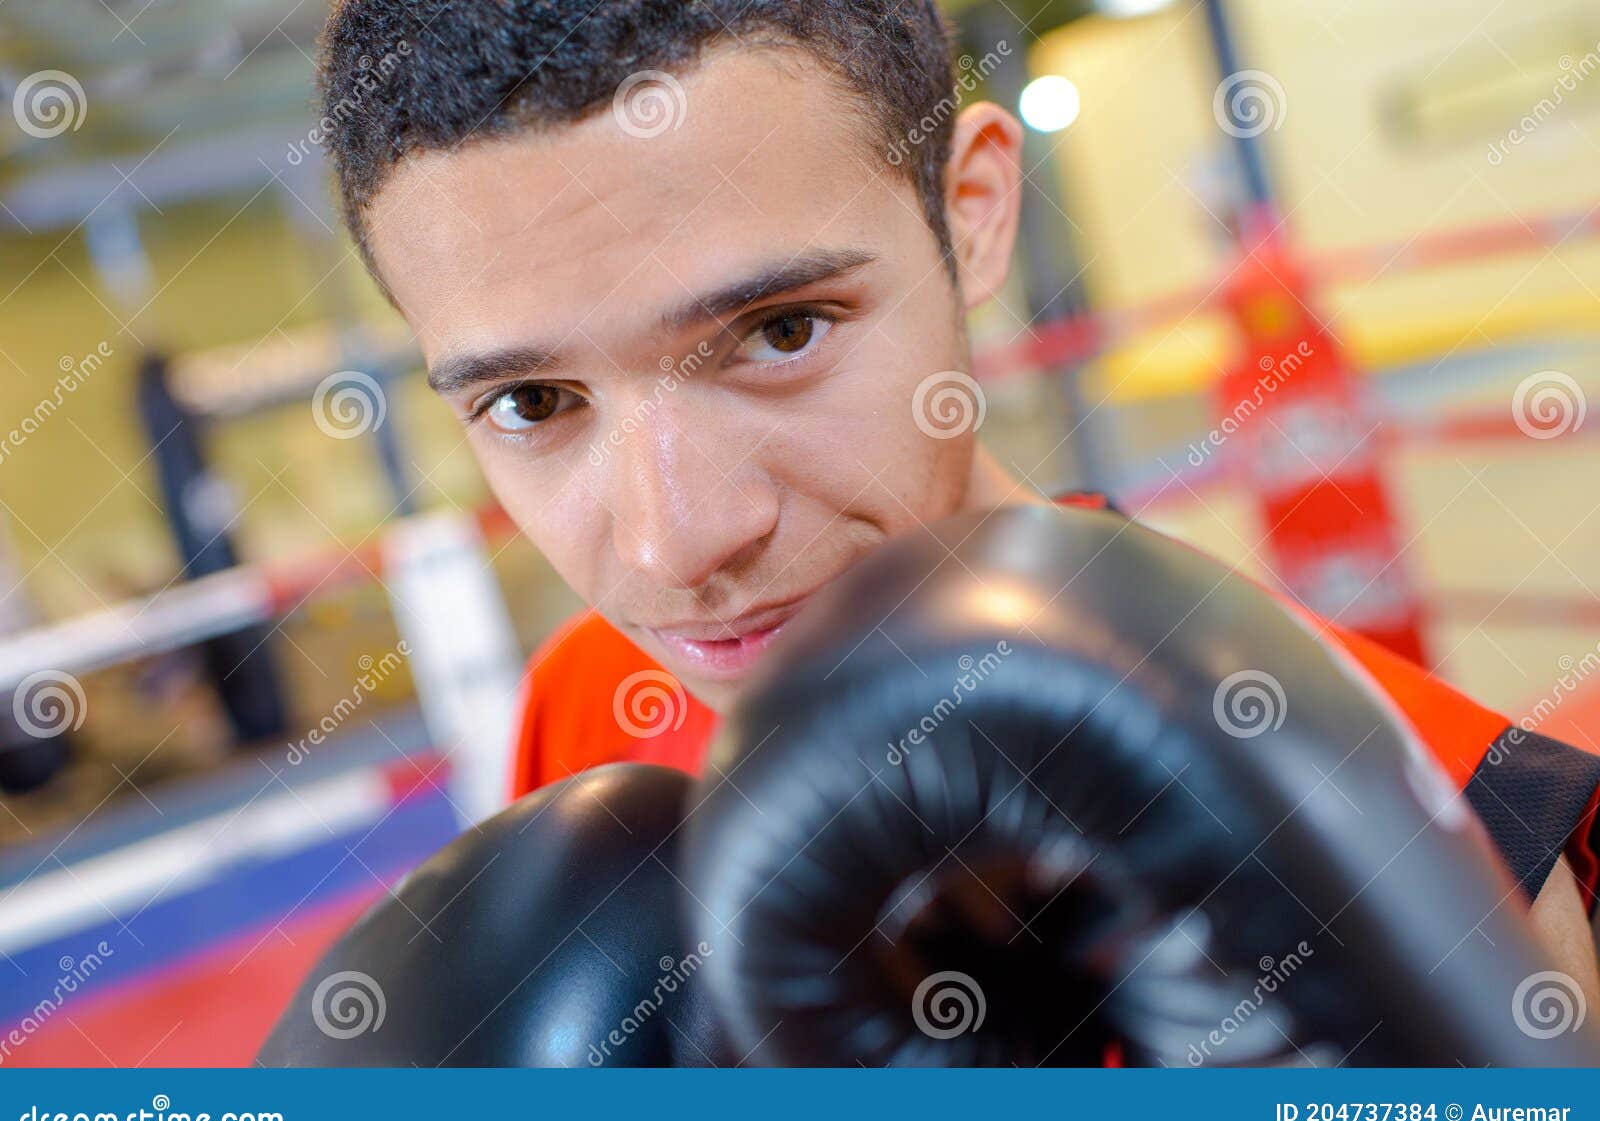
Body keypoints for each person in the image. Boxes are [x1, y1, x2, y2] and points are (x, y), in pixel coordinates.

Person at [315, 1, 1600, 1006]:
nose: (677, 542)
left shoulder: (1422, 835)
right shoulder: (589, 706)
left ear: (971, 211)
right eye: (533, 402)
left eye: (781, 330)